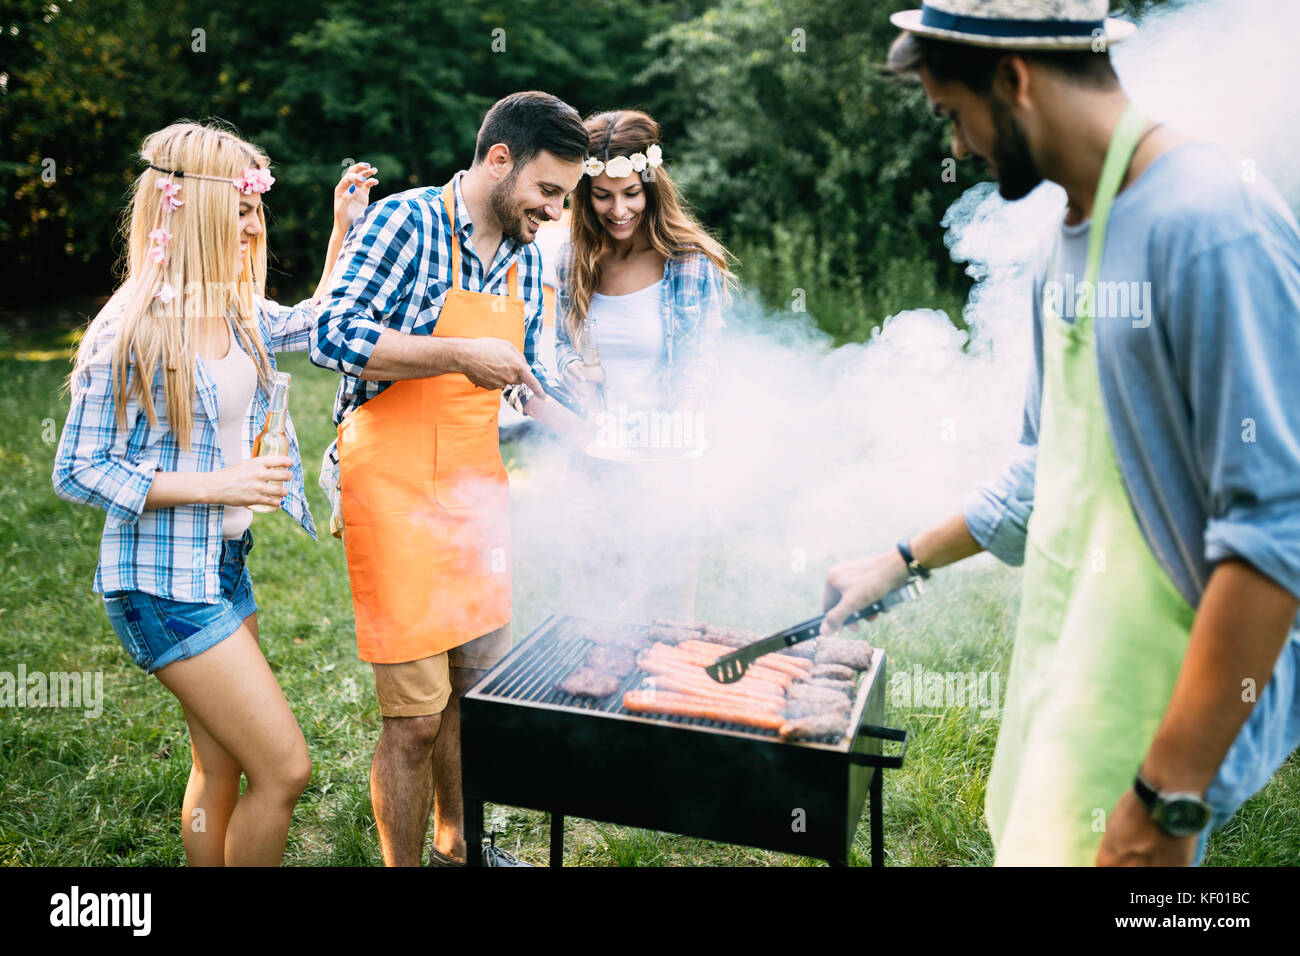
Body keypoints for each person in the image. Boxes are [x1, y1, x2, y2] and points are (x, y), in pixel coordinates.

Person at [820, 0, 1300, 866]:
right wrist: (899, 559)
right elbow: (1047, 466)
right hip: (1064, 675)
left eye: (950, 115)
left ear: (1014, 78)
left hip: (1153, 721)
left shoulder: (1208, 222)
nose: (957, 146)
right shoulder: (1065, 244)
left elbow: (1276, 532)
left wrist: (1167, 795)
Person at [52, 120, 377, 865]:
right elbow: (79, 467)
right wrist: (218, 484)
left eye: (257, 207)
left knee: (222, 760)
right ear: (191, 210)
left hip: (220, 569)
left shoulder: (231, 306)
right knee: (285, 768)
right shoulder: (132, 328)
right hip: (159, 585)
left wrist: (342, 236)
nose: (255, 223)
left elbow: (310, 321)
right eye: (240, 208)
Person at [311, 90, 589, 867]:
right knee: (415, 719)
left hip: (474, 488)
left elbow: (528, 378)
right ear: (500, 159)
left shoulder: (527, 257)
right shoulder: (406, 222)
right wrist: (459, 354)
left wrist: (603, 441)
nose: (552, 211)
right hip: (393, 484)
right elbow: (332, 334)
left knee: (474, 692)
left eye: (562, 198)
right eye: (547, 191)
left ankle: (457, 849)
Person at [554, 109, 736, 622]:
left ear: (651, 186)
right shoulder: (573, 261)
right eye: (603, 195)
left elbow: (703, 360)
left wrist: (678, 417)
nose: (618, 209)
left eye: (631, 192)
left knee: (666, 609)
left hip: (668, 452)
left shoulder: (687, 261)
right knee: (605, 612)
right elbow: (560, 343)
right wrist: (570, 367)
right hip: (596, 451)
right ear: (585, 195)